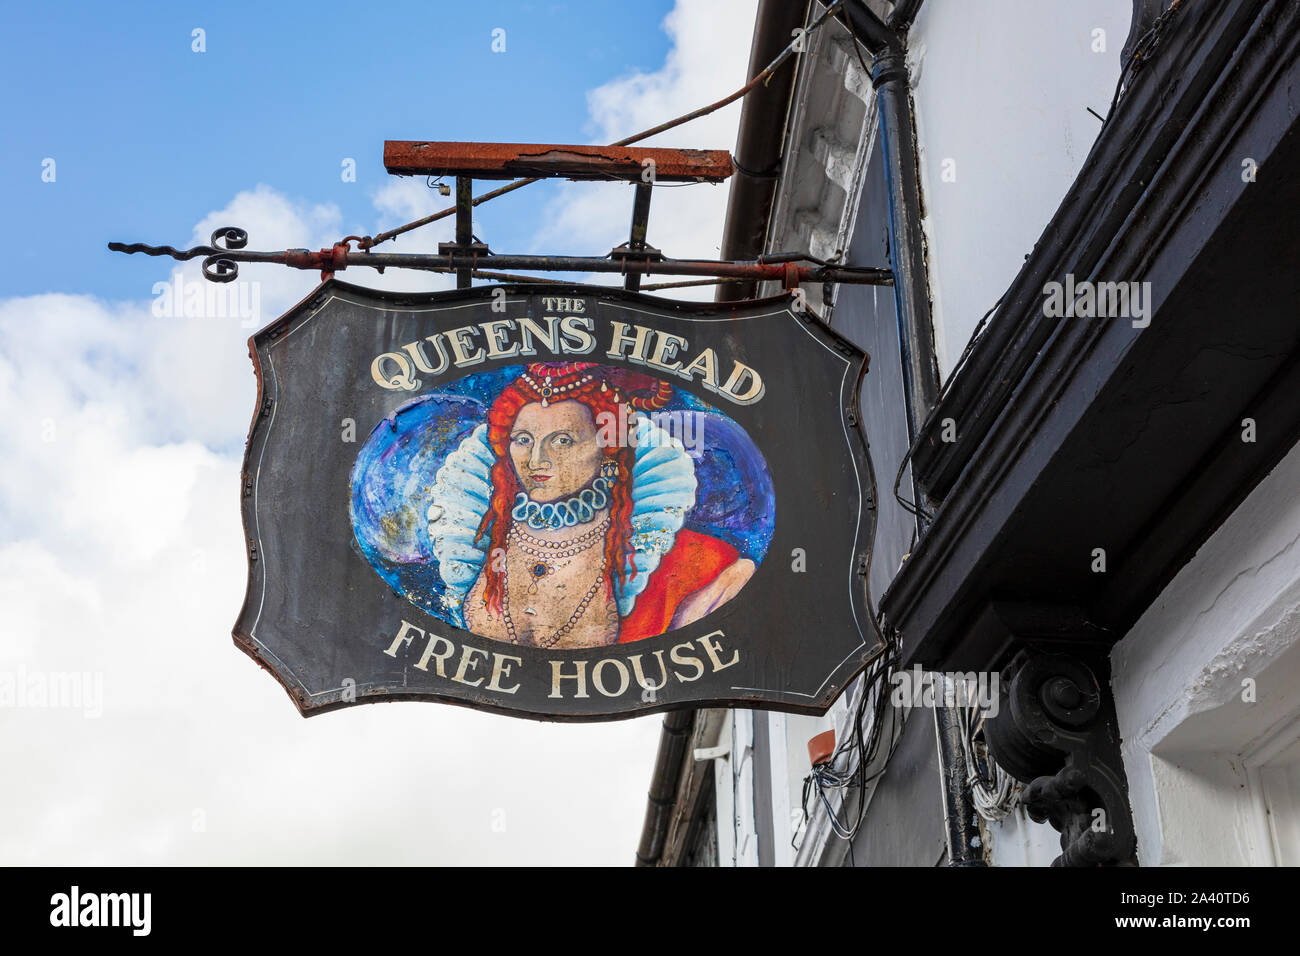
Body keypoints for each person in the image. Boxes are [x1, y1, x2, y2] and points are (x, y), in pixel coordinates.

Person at [427, 361, 754, 648]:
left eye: (563, 441)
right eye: (523, 440)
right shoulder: (480, 537)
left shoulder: (682, 561)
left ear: (606, 450)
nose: (537, 460)